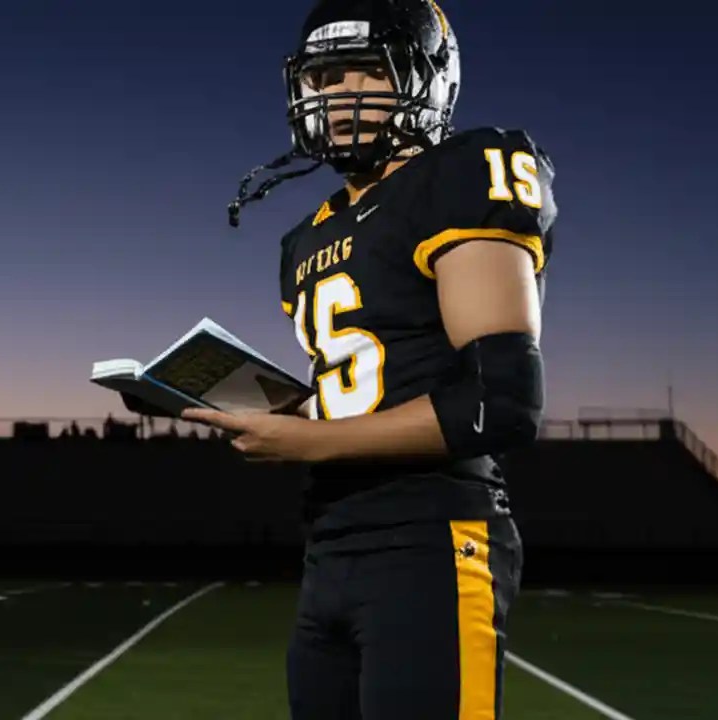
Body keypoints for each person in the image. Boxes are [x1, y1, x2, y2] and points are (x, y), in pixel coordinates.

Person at [183, 1, 558, 718]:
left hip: (432, 533)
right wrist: (269, 411)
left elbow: (502, 400)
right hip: (329, 541)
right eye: (324, 75)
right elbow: (360, 389)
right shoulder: (307, 237)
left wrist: (309, 440)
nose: (339, 92)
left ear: (426, 80)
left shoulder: (463, 173)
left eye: (366, 69)